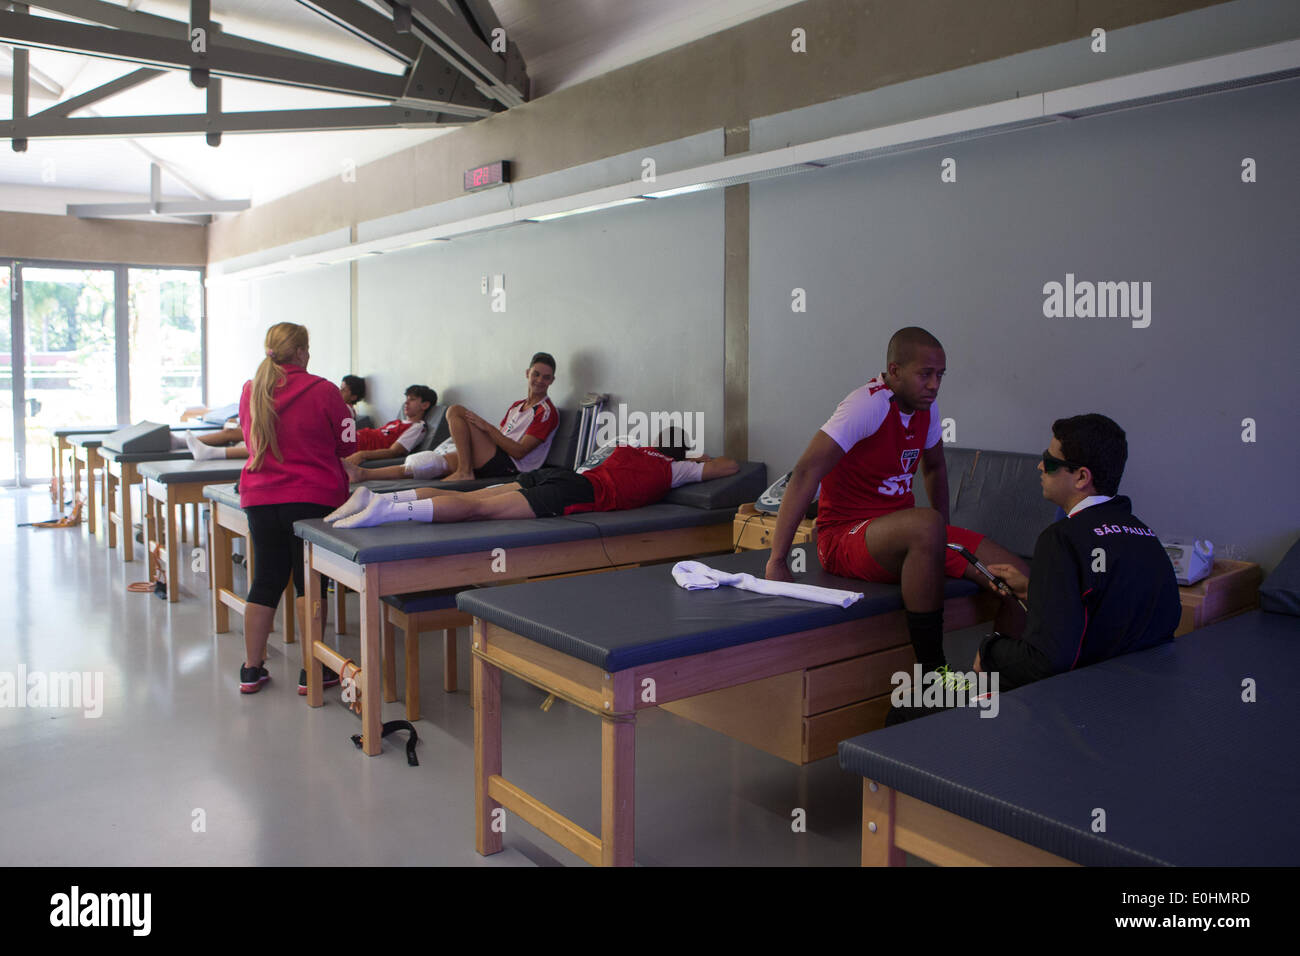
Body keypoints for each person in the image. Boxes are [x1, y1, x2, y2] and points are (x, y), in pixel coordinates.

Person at [764, 327, 1028, 696]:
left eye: (940, 375)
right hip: (845, 537)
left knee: (1020, 578)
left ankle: (994, 679)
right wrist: (777, 560)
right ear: (895, 370)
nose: (934, 384)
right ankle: (933, 674)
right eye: (925, 374)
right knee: (924, 525)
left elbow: (934, 468)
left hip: (900, 536)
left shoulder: (926, 408)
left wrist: (942, 539)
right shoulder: (867, 404)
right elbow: (807, 471)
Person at [975, 414, 1180, 690]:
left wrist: (989, 651)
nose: (1039, 466)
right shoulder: (1144, 534)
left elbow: (1046, 661)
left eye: (1049, 462)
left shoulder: (1060, 540)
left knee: (911, 710)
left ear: (1082, 477)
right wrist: (1039, 590)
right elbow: (1112, 613)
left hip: (1084, 701)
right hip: (1144, 696)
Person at [236, 323, 357, 694]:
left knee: (267, 578)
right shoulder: (324, 390)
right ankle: (312, 670)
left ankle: (251, 669)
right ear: (302, 351)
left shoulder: (251, 389)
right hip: (311, 497)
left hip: (259, 497)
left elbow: (248, 438)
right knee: (310, 582)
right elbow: (347, 445)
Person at [324, 430, 738, 527]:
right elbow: (729, 467)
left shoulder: (626, 447)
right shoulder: (673, 468)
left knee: (482, 495)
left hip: (557, 474)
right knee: (477, 510)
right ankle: (385, 512)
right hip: (577, 492)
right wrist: (695, 459)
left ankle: (380, 499)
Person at [367, 353, 559, 483]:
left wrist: (485, 427)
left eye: (546, 377)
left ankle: (465, 471)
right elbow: (501, 436)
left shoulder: (546, 412)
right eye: (536, 374)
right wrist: (482, 431)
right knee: (427, 464)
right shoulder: (517, 406)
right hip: (495, 455)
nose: (540, 381)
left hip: (511, 465)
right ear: (527, 374)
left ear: (552, 381)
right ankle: (363, 474)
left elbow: (519, 452)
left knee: (456, 411)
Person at [187, 375, 371, 462]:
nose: (339, 391)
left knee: (263, 444)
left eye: (344, 389)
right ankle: (185, 442)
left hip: (311, 450)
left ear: (354, 397)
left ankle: (205, 450)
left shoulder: (346, 409)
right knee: (238, 435)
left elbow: (347, 444)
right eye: (340, 386)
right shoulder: (329, 397)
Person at [342, 385, 437, 466]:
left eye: (412, 399)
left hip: (353, 447)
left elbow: (394, 452)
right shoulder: (397, 422)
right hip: (350, 438)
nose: (406, 403)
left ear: (425, 405)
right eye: (406, 399)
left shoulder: (417, 427)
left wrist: (361, 455)